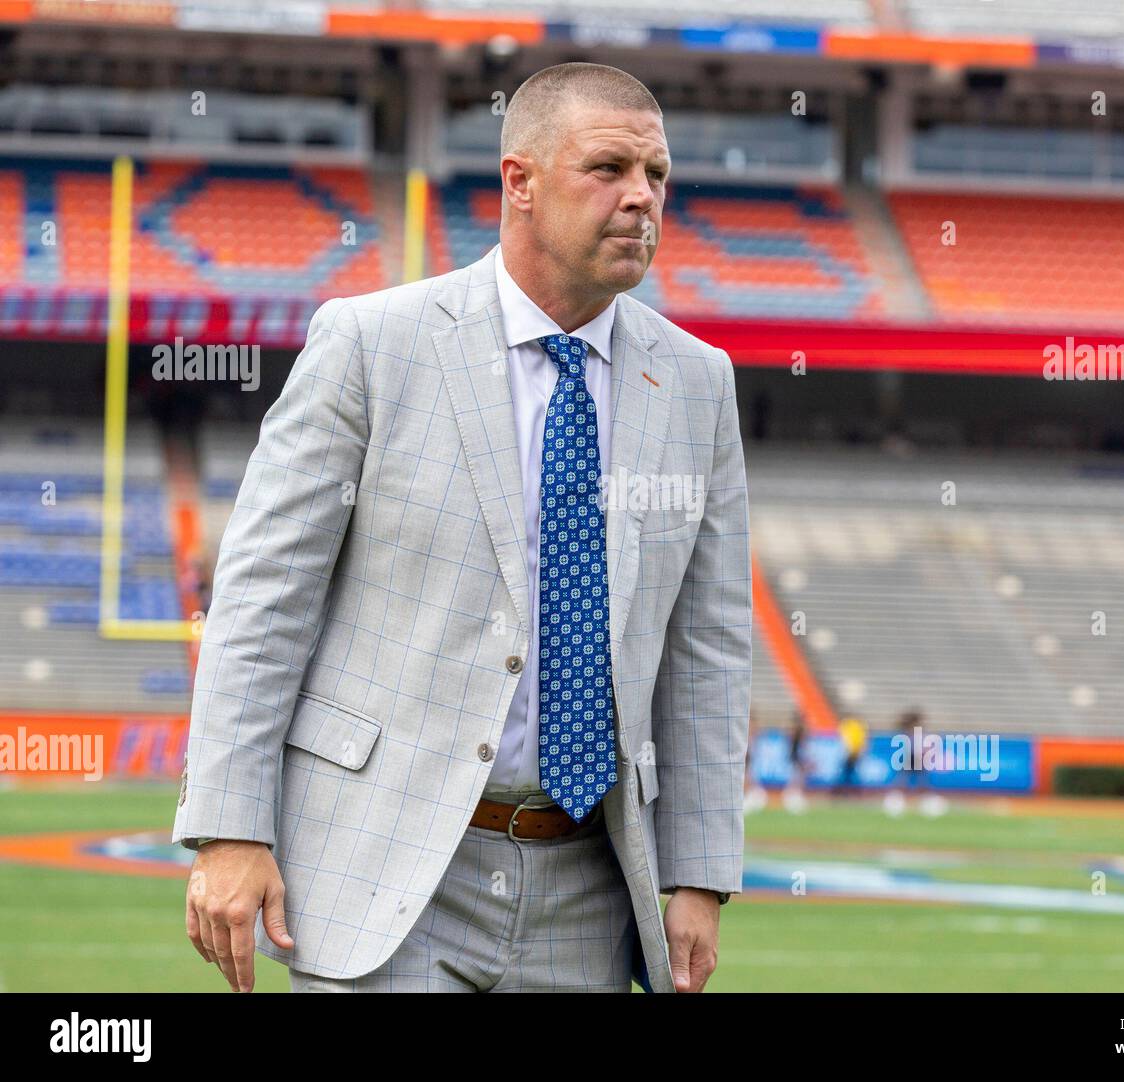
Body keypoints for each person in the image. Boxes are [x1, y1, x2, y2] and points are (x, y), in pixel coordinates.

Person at [173, 62, 752, 994]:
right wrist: (233, 828)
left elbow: (709, 651)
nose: (642, 198)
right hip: (388, 869)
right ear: (519, 182)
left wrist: (700, 874)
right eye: (608, 168)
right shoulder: (372, 345)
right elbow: (262, 601)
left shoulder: (697, 383)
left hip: (591, 894)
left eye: (658, 175)